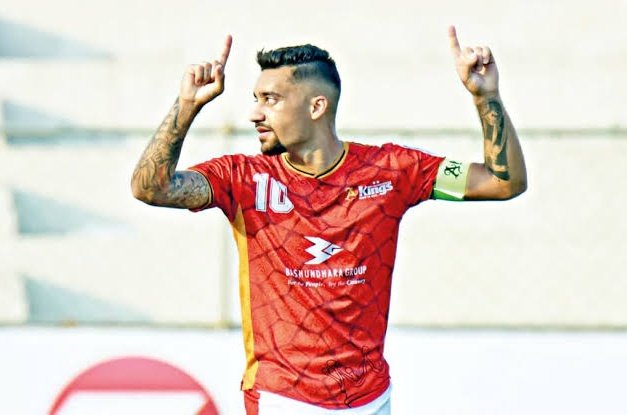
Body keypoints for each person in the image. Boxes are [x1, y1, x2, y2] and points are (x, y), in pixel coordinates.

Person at [131, 26, 527, 415]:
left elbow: (502, 182)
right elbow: (151, 188)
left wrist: (486, 97)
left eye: (271, 100)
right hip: (283, 398)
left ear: (316, 106)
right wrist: (187, 106)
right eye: (256, 99)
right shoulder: (242, 178)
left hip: (371, 399)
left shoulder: (391, 170)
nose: (255, 113)